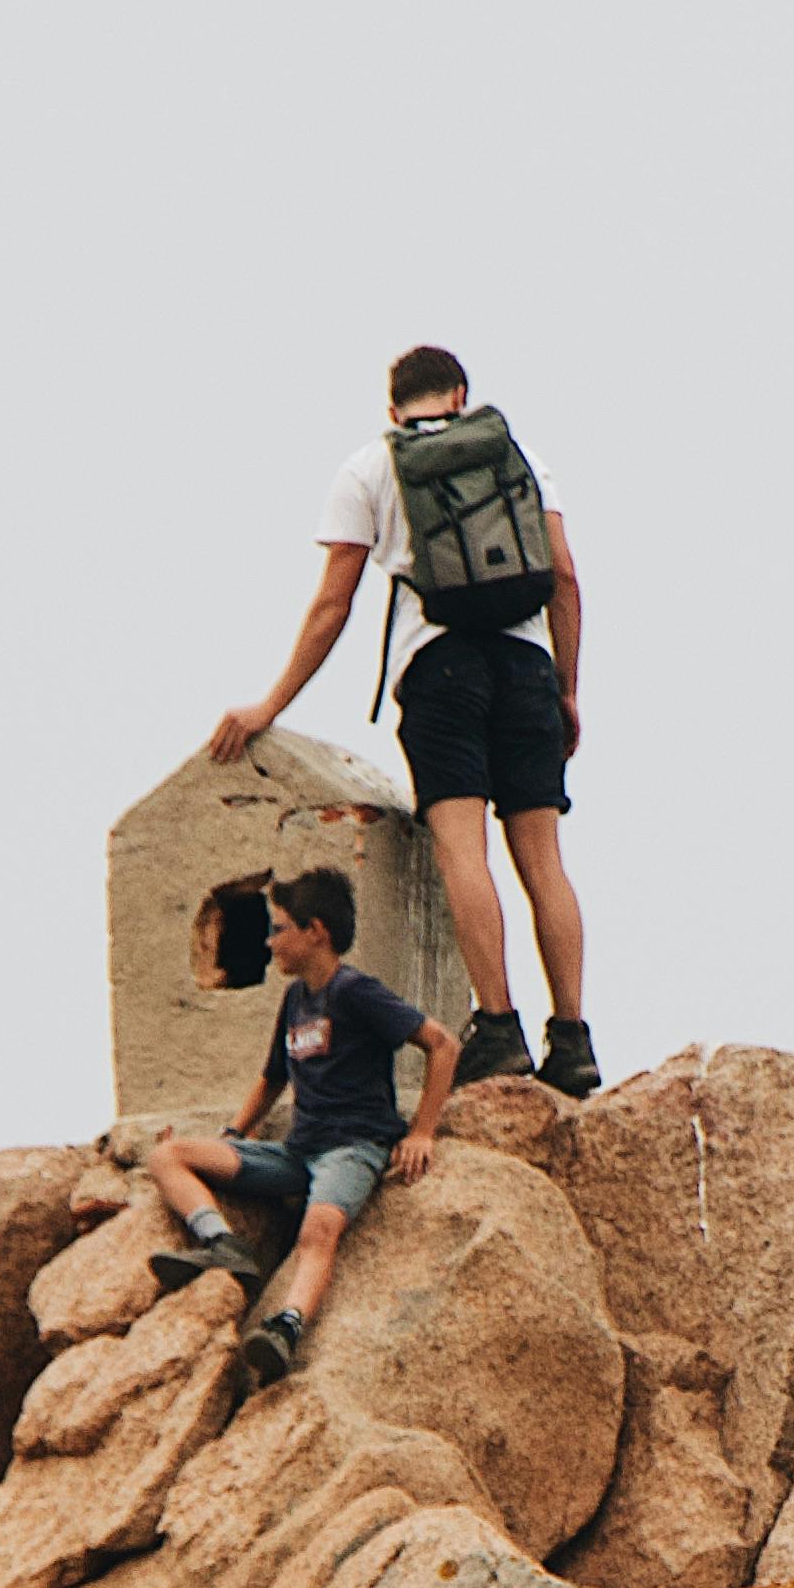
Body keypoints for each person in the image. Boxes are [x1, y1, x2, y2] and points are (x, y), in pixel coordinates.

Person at [203, 344, 598, 1097]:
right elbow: (566, 577)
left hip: (441, 670)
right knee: (543, 860)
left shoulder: (369, 468)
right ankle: (573, 1040)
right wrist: (566, 690)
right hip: (525, 671)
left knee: (461, 849)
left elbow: (333, 604)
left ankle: (501, 1028)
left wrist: (270, 704)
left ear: (393, 408)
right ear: (460, 395)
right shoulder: (516, 457)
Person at [142, 866, 459, 1390]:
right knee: (168, 1156)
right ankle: (221, 1243)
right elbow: (271, 1079)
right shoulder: (295, 1001)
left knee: (318, 1229)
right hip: (297, 1153)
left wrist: (422, 1131)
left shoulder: (357, 992)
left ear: (317, 932)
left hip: (352, 1148)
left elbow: (442, 1045)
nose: (269, 942)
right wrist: (234, 1132)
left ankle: (286, 1327)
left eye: (280, 928)